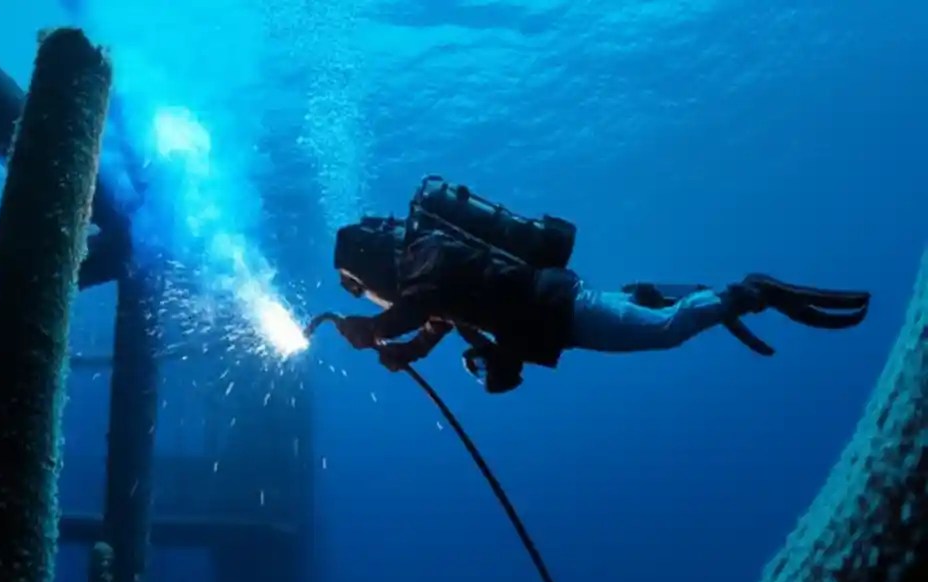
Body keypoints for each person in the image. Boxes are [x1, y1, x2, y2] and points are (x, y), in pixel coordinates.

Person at [330, 202, 871, 394]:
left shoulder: (424, 255)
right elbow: (436, 320)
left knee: (668, 332)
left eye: (363, 287)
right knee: (648, 319)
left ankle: (751, 292)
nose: (373, 298)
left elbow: (419, 307)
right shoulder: (425, 266)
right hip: (557, 316)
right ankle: (646, 296)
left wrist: (375, 331)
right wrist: (407, 352)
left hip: (564, 312)